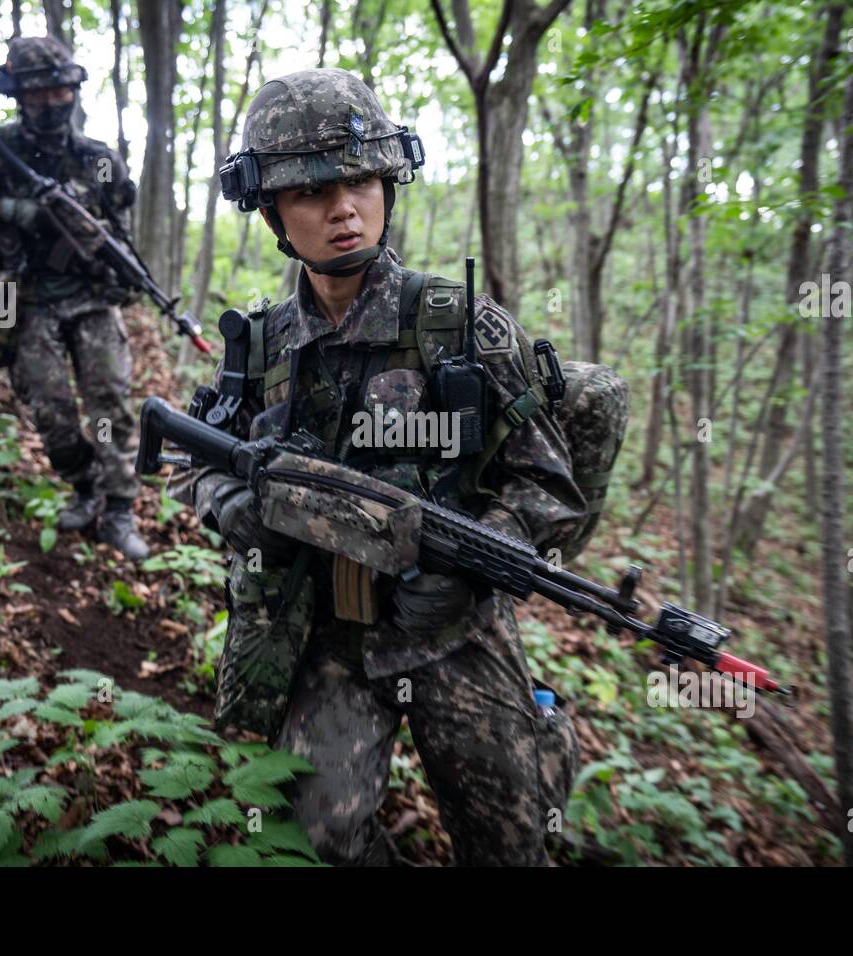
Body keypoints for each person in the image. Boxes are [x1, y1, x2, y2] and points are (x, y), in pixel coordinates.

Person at [167, 68, 586, 865]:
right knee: (320, 837)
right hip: (333, 635)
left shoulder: (460, 326)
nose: (342, 208)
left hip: (456, 632)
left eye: (360, 180)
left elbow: (549, 481)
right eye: (310, 191)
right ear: (272, 214)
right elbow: (195, 456)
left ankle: (546, 737)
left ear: (389, 183)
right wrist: (230, 505)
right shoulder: (257, 344)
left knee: (513, 847)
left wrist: (474, 564)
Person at [0, 36, 149, 560]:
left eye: (60, 91)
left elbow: (121, 231)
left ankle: (118, 510)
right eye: (38, 93)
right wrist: (9, 211)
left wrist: (108, 254)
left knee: (111, 405)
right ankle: (83, 484)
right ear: (17, 95)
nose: (52, 102)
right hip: (25, 302)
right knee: (51, 413)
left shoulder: (98, 159)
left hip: (92, 300)